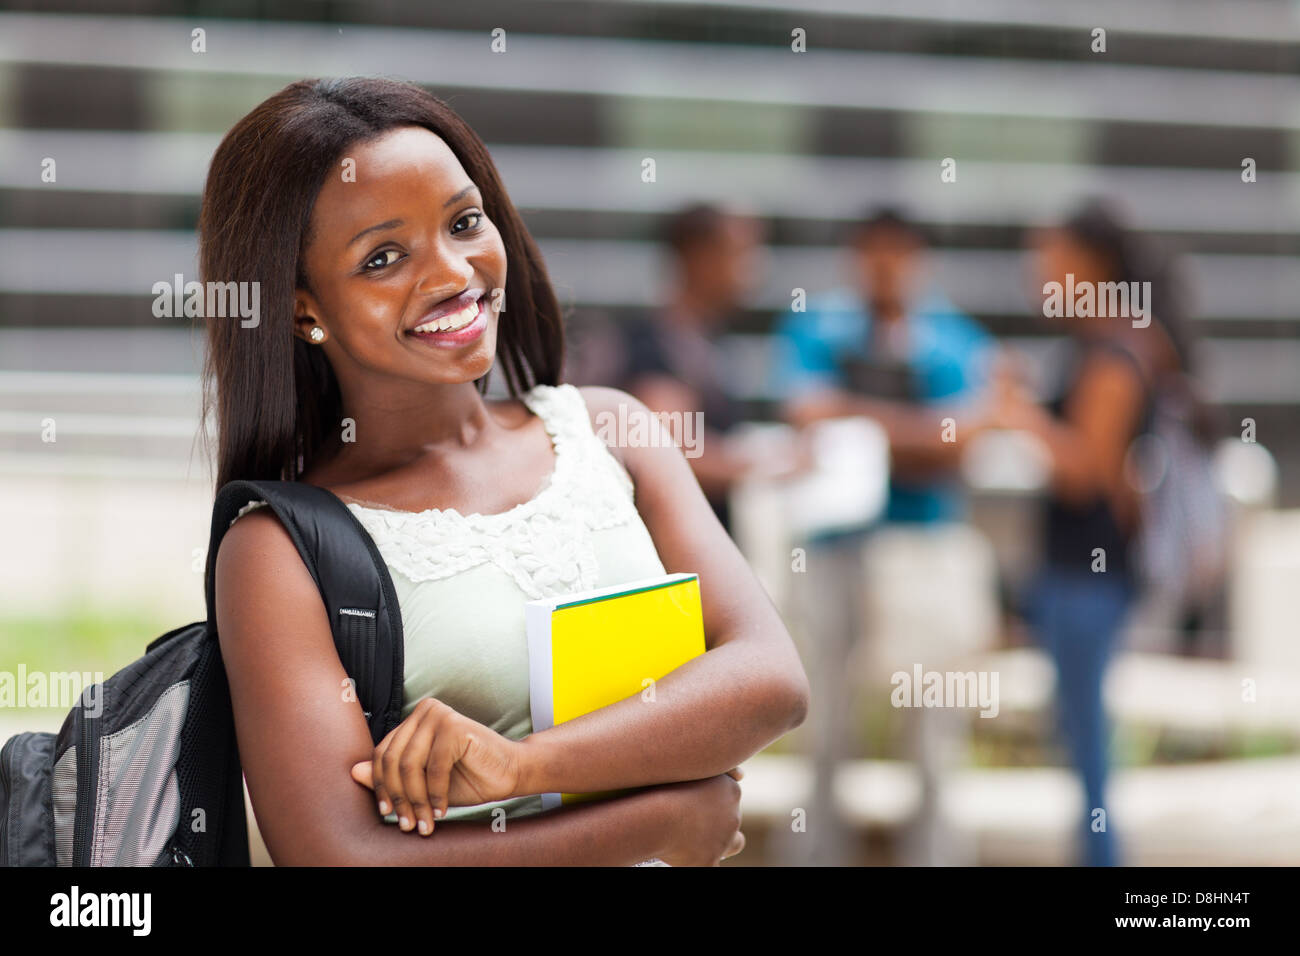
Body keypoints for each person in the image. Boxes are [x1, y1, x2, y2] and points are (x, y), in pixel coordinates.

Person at [202, 77, 809, 866]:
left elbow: (770, 680)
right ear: (300, 308)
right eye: (384, 257)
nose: (453, 273)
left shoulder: (610, 429)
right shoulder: (278, 551)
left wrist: (523, 766)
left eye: (464, 222)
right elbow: (338, 857)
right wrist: (655, 824)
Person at [991, 199, 1191, 866]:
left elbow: (1085, 471)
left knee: (1089, 755)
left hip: (1086, 578)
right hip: (1078, 577)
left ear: (1091, 264)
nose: (1037, 271)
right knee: (1081, 746)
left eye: (1049, 256)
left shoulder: (1114, 352)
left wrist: (1018, 414)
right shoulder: (1101, 344)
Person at [770, 207, 996, 524]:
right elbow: (806, 416)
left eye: (898, 251)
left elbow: (956, 445)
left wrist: (848, 420)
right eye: (872, 250)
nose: (885, 264)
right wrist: (919, 435)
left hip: (925, 531)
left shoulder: (957, 338)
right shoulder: (813, 326)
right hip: (830, 532)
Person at [609, 203, 767, 533]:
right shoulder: (652, 344)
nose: (754, 268)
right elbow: (676, 453)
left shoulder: (710, 342)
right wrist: (774, 465)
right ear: (700, 257)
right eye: (741, 253)